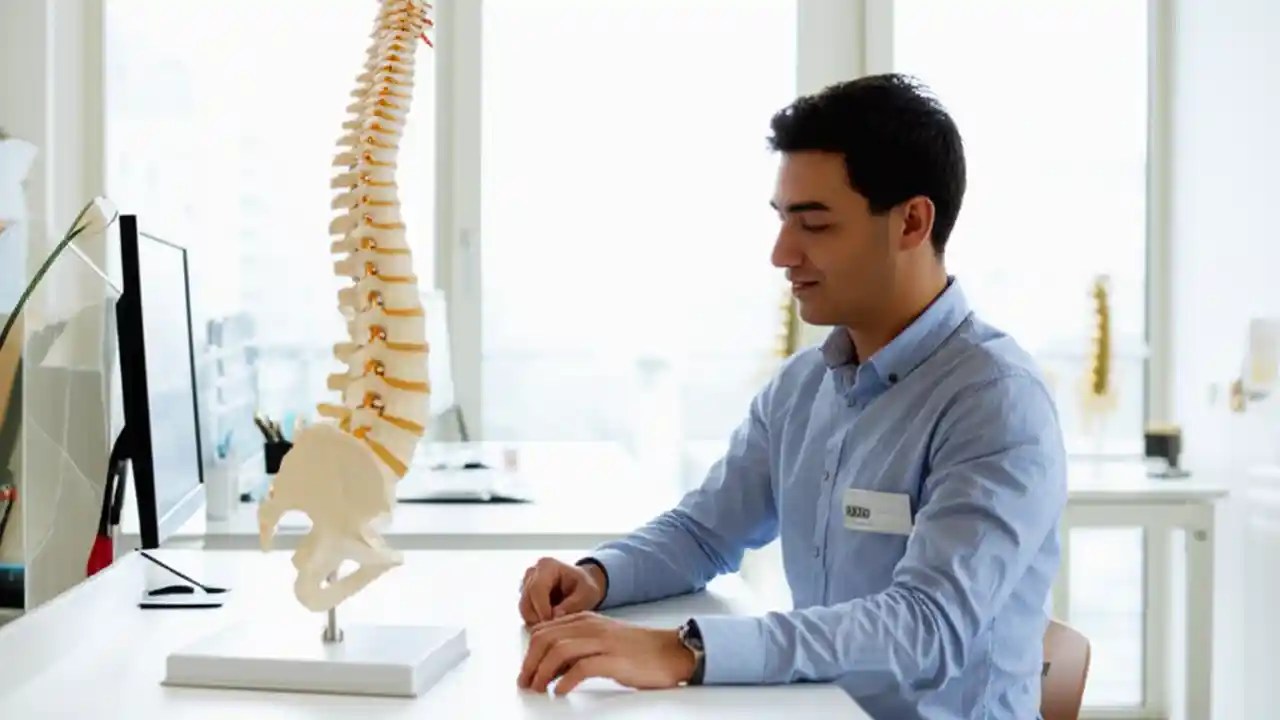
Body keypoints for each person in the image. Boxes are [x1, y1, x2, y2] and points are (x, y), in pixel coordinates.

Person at [515, 73, 1066, 719]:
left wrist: (685, 651)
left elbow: (927, 625)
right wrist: (599, 576)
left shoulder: (996, 402)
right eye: (782, 221)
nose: (782, 253)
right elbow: (704, 532)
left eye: (817, 224)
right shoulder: (805, 385)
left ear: (912, 221)